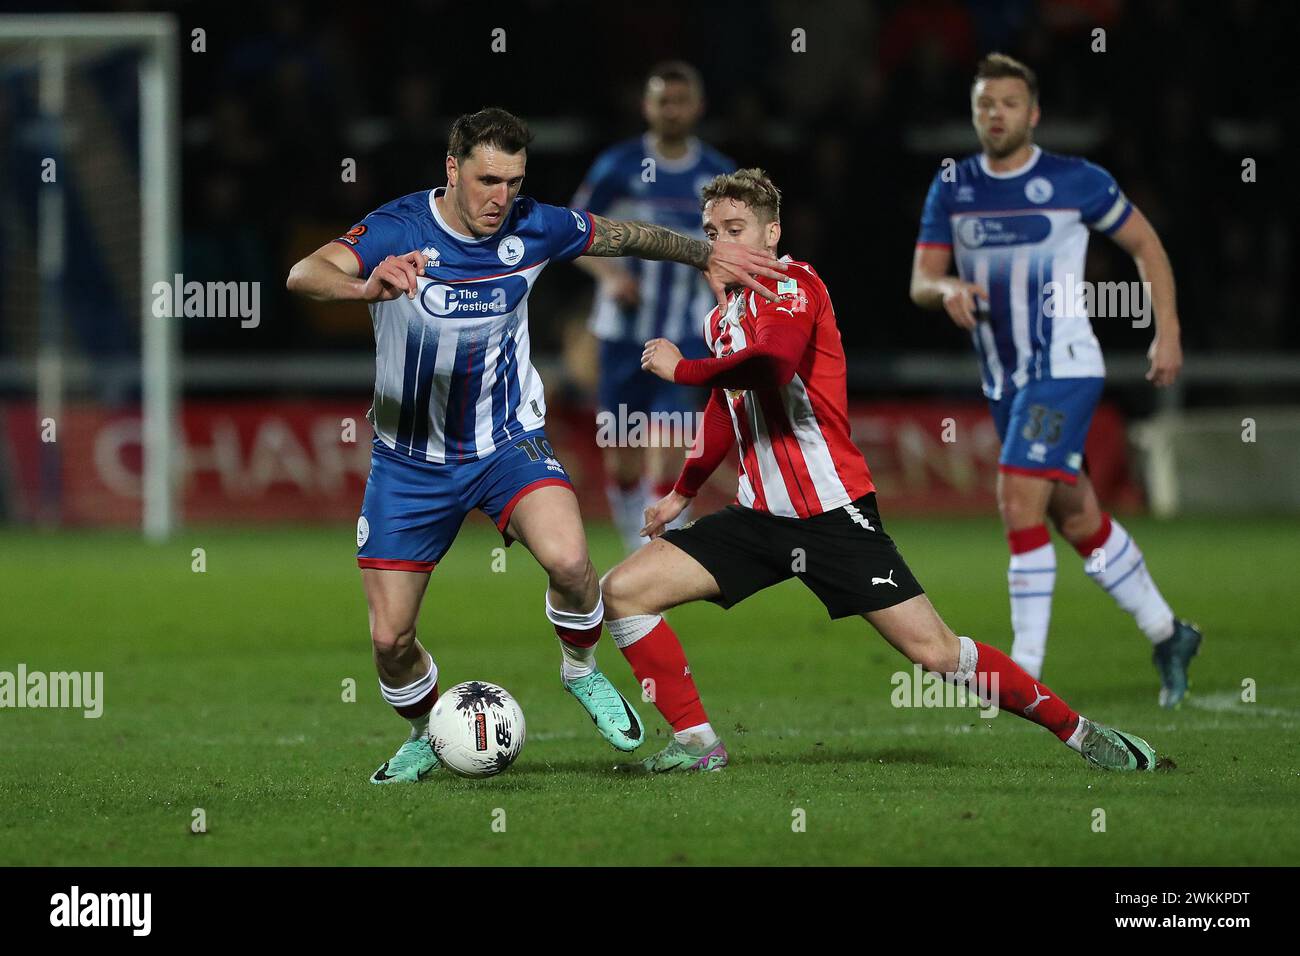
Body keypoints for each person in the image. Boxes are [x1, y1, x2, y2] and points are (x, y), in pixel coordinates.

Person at [600, 168, 1160, 774]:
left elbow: (773, 366)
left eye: (736, 229)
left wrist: (682, 369)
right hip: (760, 519)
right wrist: (681, 494)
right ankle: (697, 744)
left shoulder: (795, 285)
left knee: (937, 654)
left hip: (833, 517)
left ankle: (1077, 731)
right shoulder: (722, 317)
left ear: (771, 234)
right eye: (711, 232)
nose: (720, 245)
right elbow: (726, 407)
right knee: (624, 592)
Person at [286, 108, 783, 783]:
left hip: (506, 444)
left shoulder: (534, 226)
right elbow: (303, 273)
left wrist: (706, 251)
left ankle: (580, 670)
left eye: (514, 182)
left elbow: (624, 236)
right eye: (488, 179)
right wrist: (362, 287)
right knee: (389, 640)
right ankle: (427, 731)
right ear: (452, 169)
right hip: (409, 463)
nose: (500, 198)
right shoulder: (398, 228)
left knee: (575, 565)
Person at [909, 53, 1201, 704]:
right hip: (1004, 383)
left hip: (1065, 367)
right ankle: (1168, 630)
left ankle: (1024, 673)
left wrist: (1169, 328)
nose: (996, 114)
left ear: (1034, 114)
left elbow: (1146, 246)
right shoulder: (953, 187)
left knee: (1017, 499)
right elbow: (920, 281)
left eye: (1009, 103)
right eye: (985, 103)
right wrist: (946, 287)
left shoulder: (1076, 180)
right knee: (1077, 518)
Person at [571, 62, 734, 552]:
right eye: (663, 101)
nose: (672, 110)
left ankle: (661, 547)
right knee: (622, 452)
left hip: (684, 330)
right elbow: (575, 234)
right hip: (622, 333)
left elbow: (735, 249)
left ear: (698, 107)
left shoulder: (717, 176)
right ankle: (633, 536)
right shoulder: (617, 167)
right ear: (646, 106)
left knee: (670, 433)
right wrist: (610, 274)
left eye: (681, 101)